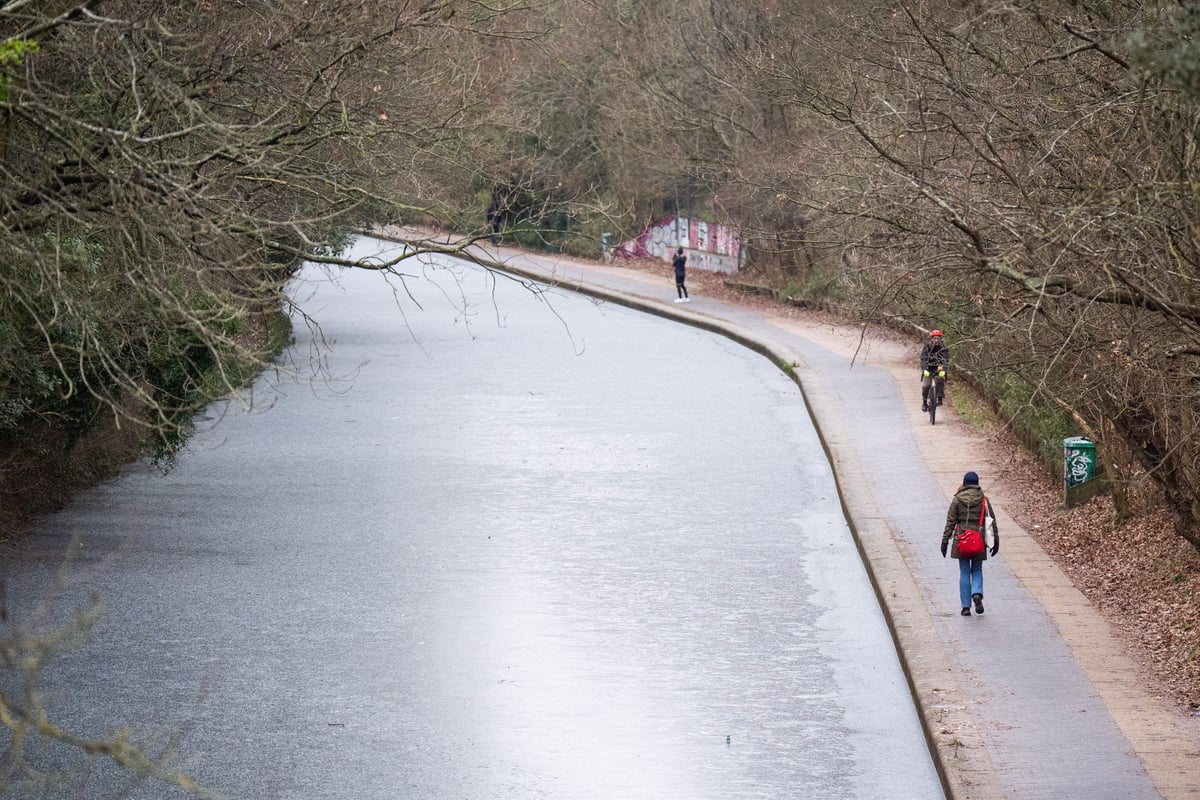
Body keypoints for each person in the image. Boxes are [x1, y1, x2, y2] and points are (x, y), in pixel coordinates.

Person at [940, 471, 1000, 616]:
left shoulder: (957, 499)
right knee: (977, 569)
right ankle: (977, 593)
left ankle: (966, 607)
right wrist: (996, 541)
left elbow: (950, 522)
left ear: (965, 483)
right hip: (978, 538)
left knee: (965, 572)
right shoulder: (983, 499)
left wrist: (945, 541)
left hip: (962, 539)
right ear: (977, 483)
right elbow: (992, 521)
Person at [920, 329, 949, 412]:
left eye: (937, 338)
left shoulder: (943, 348)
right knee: (926, 386)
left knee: (940, 379)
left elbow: (945, 359)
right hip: (929, 368)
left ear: (940, 339)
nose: (936, 340)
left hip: (938, 367)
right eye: (934, 338)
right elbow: (923, 358)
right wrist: (924, 369)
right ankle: (924, 402)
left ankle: (939, 397)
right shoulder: (927, 347)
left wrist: (943, 370)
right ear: (931, 338)